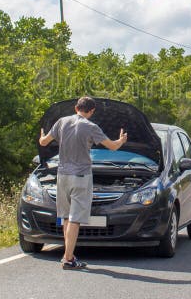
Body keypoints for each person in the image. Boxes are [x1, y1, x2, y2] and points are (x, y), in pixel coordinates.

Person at [38, 96, 128, 269]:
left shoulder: (61, 122)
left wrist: (41, 135)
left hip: (62, 175)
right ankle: (68, 258)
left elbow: (43, 142)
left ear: (75, 108)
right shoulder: (91, 127)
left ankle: (68, 255)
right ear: (92, 111)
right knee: (75, 218)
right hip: (81, 176)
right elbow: (113, 146)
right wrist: (121, 140)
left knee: (65, 216)